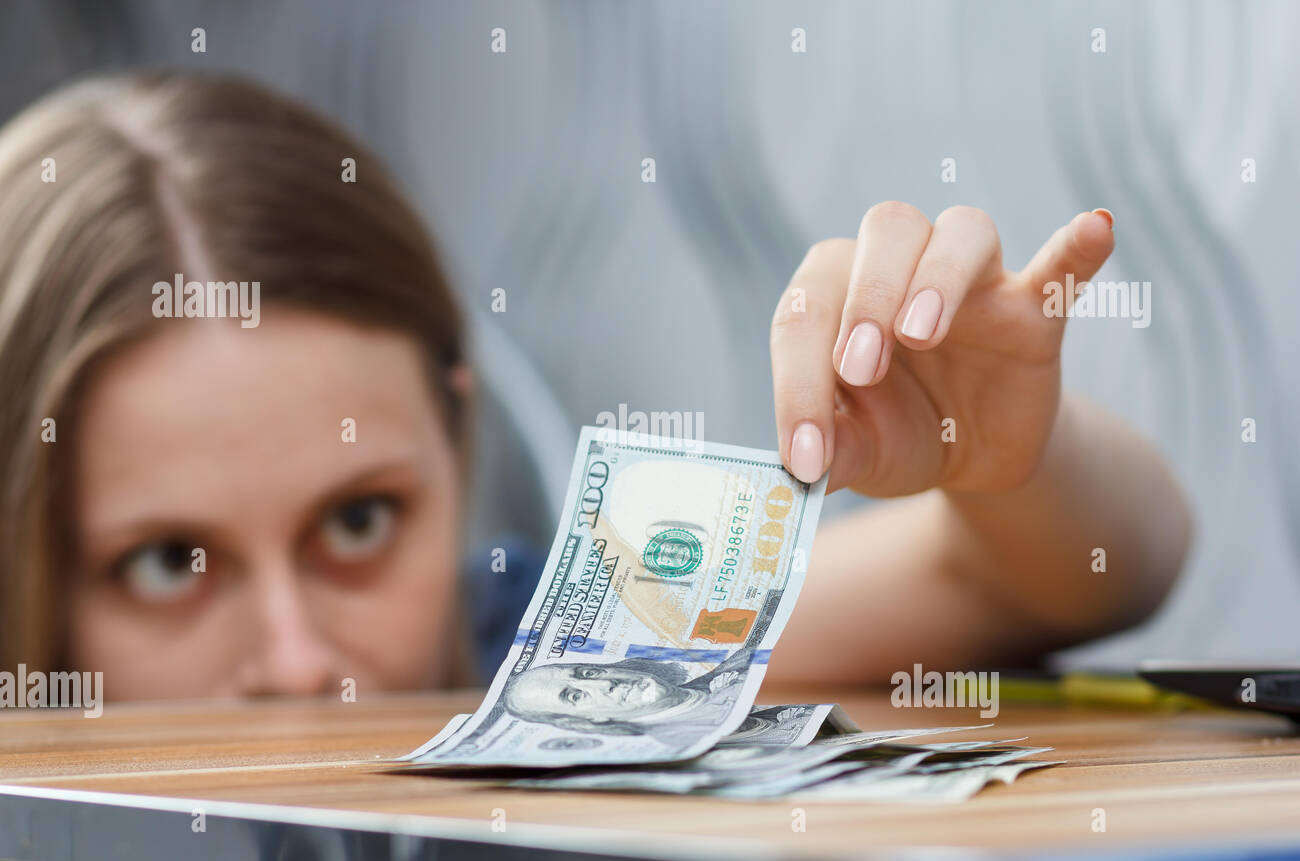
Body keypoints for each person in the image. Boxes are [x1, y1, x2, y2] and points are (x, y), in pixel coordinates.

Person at [0, 72, 1191, 700]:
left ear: (455, 437)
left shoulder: (528, 649)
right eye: (169, 563)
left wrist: (1007, 462)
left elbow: (1079, 573)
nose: (300, 660)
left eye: (361, 521)